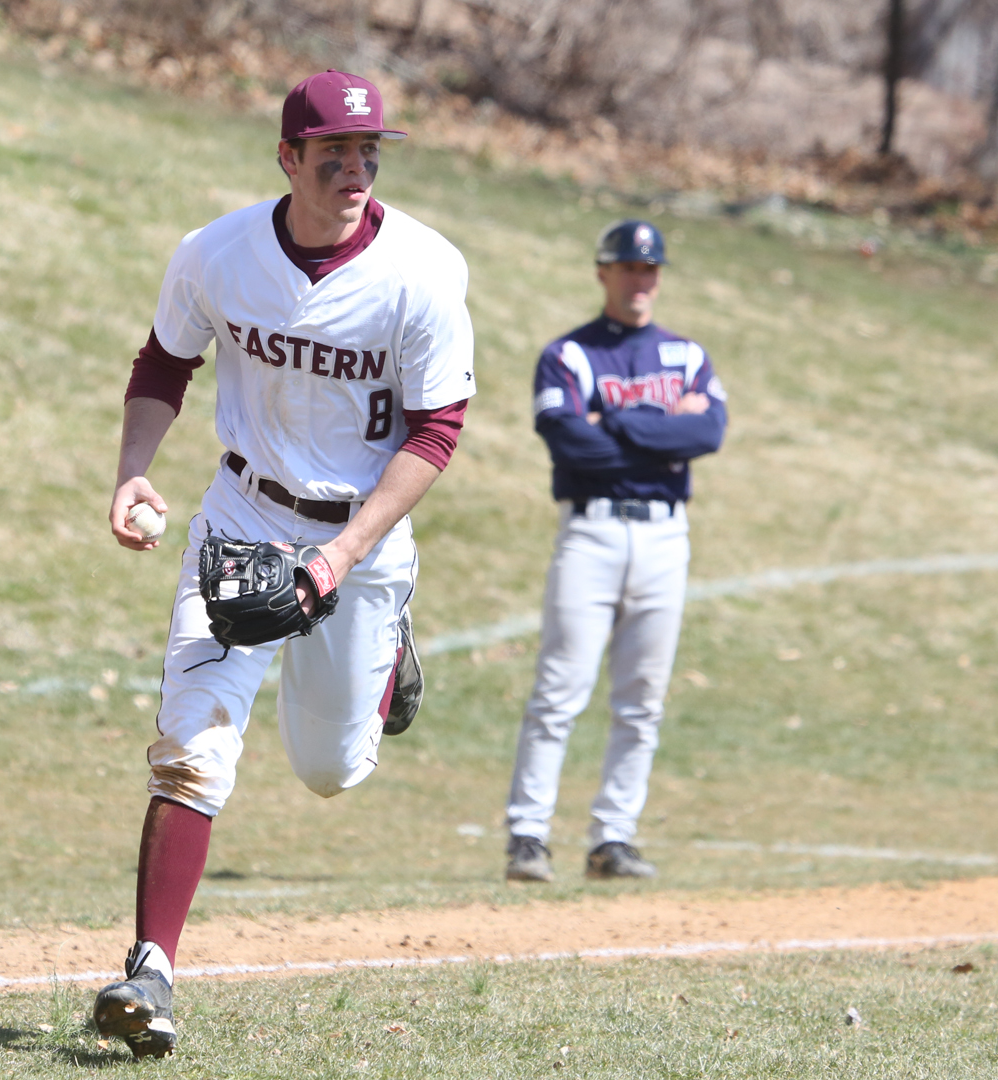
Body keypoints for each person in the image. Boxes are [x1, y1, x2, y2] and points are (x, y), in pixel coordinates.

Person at [93, 69, 474, 1058]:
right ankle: (151, 972)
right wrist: (133, 473)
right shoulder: (217, 254)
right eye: (335, 152)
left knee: (328, 770)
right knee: (193, 744)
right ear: (288, 157)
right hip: (242, 517)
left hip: (361, 535)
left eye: (369, 152)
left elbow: (438, 431)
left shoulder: (422, 271)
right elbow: (163, 362)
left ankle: (385, 653)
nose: (356, 168)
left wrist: (344, 560)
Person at [502, 219, 727, 883]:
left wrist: (615, 421)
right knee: (559, 691)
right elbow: (570, 442)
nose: (641, 279)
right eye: (629, 267)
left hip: (664, 535)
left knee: (643, 698)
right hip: (592, 531)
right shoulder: (568, 355)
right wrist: (664, 431)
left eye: (651, 269)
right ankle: (527, 834)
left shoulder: (686, 355)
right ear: (604, 272)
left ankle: (613, 837)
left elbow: (709, 430)